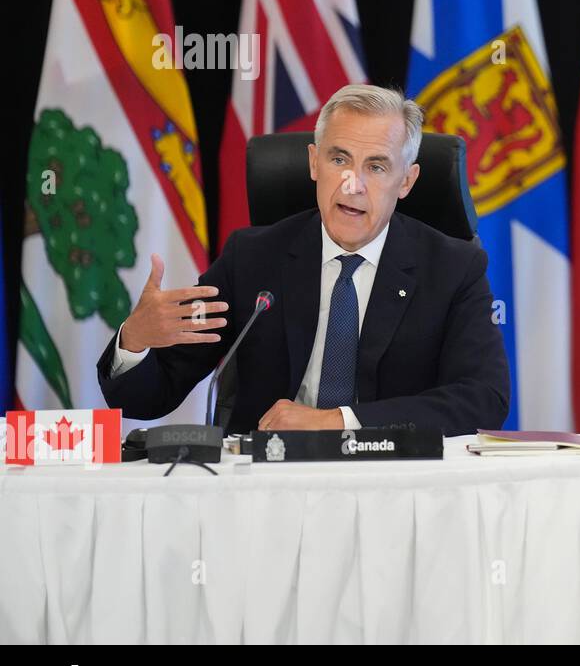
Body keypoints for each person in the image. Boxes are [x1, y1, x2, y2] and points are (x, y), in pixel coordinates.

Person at [98, 84, 509, 435]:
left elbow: (482, 398)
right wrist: (134, 340)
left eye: (377, 167)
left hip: (391, 487)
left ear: (407, 181)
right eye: (339, 159)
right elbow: (150, 396)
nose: (353, 185)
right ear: (314, 162)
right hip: (265, 488)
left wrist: (337, 421)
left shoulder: (454, 269)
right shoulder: (253, 258)